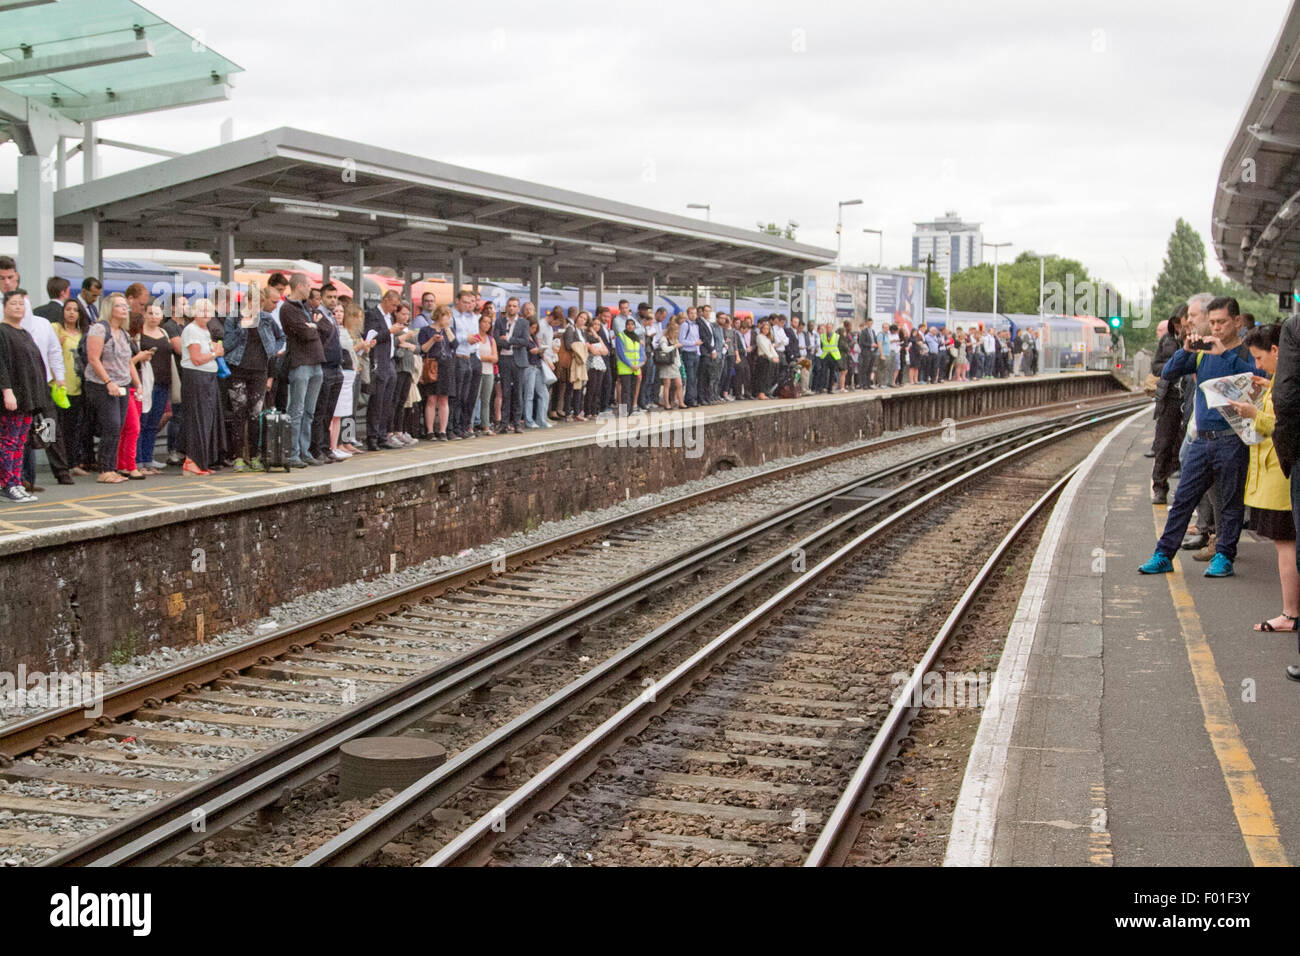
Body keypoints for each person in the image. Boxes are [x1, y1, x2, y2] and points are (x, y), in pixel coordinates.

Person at [1139, 296, 1256, 578]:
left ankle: (1225, 556)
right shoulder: (1203, 352)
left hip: (1231, 439)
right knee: (1183, 500)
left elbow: (1254, 379)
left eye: (1222, 322)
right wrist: (1186, 348)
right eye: (1212, 322)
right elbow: (1168, 372)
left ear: (1237, 322)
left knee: (1229, 503)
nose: (1215, 328)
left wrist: (1223, 353)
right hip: (1202, 440)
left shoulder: (1243, 354)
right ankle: (1163, 554)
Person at [1223, 324, 1296, 632]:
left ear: (1277, 351)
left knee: (1286, 546)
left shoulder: (1289, 383)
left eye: (1259, 357)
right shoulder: (1282, 379)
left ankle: (1291, 614)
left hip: (1281, 478)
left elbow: (1283, 422)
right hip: (1278, 476)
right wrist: (1266, 386)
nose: (1256, 365)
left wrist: (1253, 415)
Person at [223, 290, 284, 471]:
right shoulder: (233, 319)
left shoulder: (266, 318)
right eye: (252, 303)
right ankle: (239, 457)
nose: (255, 308)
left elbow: (281, 337)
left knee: (255, 414)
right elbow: (227, 344)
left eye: (258, 304)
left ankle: (255, 456)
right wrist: (243, 326)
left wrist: (273, 350)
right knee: (238, 413)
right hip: (238, 370)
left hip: (259, 371)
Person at [83, 292, 138, 484]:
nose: (125, 309)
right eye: (120, 306)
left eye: (126, 306)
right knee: (111, 425)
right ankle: (104, 469)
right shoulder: (99, 329)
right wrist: (108, 382)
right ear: (109, 308)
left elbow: (128, 361)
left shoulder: (123, 332)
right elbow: (93, 359)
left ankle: (112, 467)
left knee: (118, 427)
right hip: (103, 385)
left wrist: (136, 383)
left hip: (122, 385)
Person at [0, 290, 46, 502]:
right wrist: (7, 391)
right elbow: (2, 365)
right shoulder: (2, 331)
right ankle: (7, 483)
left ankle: (16, 481)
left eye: (21, 304)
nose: (18, 307)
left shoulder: (25, 333)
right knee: (8, 442)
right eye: (14, 303)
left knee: (20, 442)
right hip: (12, 397)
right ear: (5, 306)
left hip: (28, 397)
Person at [178, 297, 222, 475]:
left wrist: (215, 352)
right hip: (196, 378)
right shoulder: (191, 330)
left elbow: (217, 349)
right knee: (197, 419)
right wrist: (214, 353)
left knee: (207, 419)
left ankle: (201, 461)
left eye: (208, 311)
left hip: (208, 376)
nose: (206, 314)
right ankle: (192, 461)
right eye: (201, 311)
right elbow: (196, 359)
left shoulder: (204, 330)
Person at [1151, 305, 1187, 504]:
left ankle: (1184, 494)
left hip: (1188, 396)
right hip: (1170, 396)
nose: (1179, 327)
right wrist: (1173, 366)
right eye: (1175, 323)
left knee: (1185, 445)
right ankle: (1159, 487)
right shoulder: (1167, 341)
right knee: (1164, 443)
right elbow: (1155, 366)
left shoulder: (1196, 340)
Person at [53, 297, 92, 476]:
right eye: (68, 309)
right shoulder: (55, 329)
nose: (71, 313)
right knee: (55, 427)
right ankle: (59, 465)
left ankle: (72, 463)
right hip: (58, 386)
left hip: (78, 386)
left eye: (75, 310)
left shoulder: (83, 334)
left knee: (74, 428)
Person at [136, 302, 174, 476]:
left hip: (163, 383)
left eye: (156, 313)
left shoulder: (164, 333)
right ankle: (138, 462)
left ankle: (148, 459)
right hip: (145, 383)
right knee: (141, 423)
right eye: (150, 313)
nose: (153, 316)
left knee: (153, 424)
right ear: (144, 314)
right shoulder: (138, 334)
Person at [364, 290, 405, 451]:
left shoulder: (389, 317)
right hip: (379, 361)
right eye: (393, 304)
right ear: (385, 300)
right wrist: (389, 332)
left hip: (390, 361)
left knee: (388, 401)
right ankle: (372, 436)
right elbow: (371, 336)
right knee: (377, 400)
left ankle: (382, 434)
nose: (395, 309)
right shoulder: (373, 314)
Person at [311, 283, 346, 461]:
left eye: (335, 297)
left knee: (329, 411)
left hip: (336, 368)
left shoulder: (332, 317)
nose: (332, 301)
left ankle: (326, 447)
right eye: (329, 297)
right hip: (324, 367)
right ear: (322, 297)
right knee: (320, 411)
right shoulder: (318, 315)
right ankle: (317, 448)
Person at [419, 305, 457, 440]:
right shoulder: (426, 330)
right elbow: (423, 349)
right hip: (432, 365)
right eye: (446, 316)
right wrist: (433, 340)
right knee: (431, 398)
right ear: (439, 316)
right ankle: (429, 430)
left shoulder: (450, 330)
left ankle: (442, 430)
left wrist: (447, 330)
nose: (447, 320)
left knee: (444, 398)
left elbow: (455, 345)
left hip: (447, 366)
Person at [474, 311, 498, 436]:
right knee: (474, 398)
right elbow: (476, 356)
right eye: (484, 322)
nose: (486, 325)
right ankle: (470, 426)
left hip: (489, 372)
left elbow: (495, 358)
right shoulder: (475, 337)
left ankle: (485, 425)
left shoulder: (491, 339)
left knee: (486, 400)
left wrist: (485, 357)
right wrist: (487, 357)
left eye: (489, 323)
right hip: (478, 371)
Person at [614, 315, 643, 417]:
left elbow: (641, 353)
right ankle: (623, 411)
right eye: (628, 324)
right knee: (625, 390)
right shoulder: (621, 337)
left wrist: (639, 364)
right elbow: (621, 353)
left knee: (632, 390)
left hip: (635, 369)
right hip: (625, 368)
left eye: (632, 324)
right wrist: (631, 365)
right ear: (625, 326)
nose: (630, 326)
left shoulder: (636, 337)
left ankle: (630, 411)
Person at [653, 317, 683, 409]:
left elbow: (677, 353)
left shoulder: (675, 339)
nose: (676, 333)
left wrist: (679, 363)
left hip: (674, 364)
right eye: (675, 332)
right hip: (666, 364)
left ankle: (681, 402)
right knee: (667, 385)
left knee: (679, 384)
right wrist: (674, 346)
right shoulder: (664, 339)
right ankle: (667, 404)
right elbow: (664, 349)